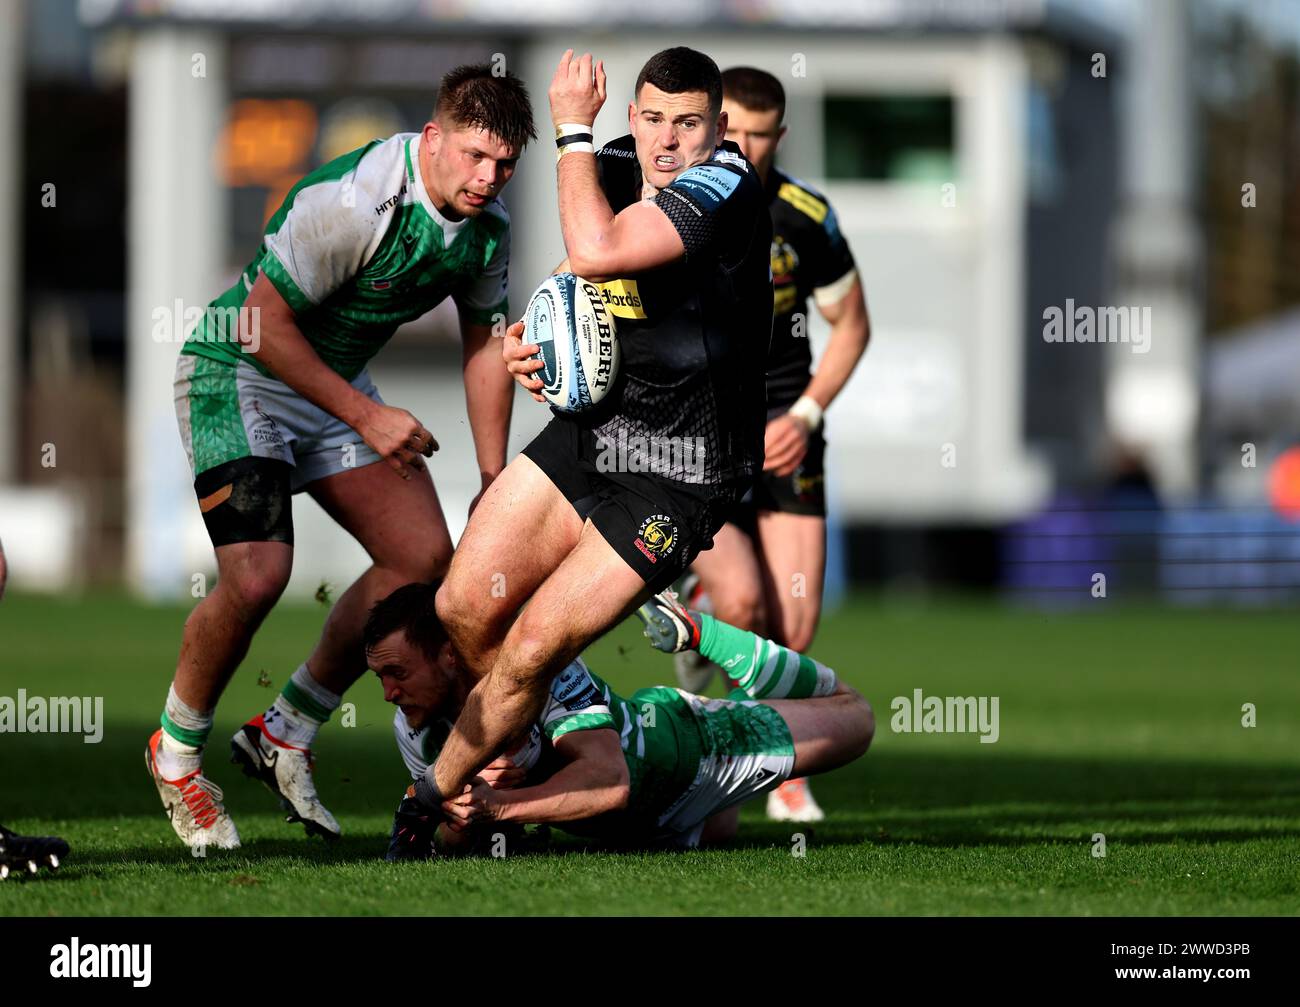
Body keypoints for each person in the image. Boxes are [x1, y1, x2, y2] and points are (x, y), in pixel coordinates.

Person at [146, 64, 536, 851]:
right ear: (433, 139)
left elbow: (487, 346)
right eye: (473, 155)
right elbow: (261, 325)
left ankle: (284, 729)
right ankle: (176, 750)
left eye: (503, 164)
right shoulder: (358, 203)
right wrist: (370, 415)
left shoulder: (488, 226)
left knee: (425, 558)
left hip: (332, 382)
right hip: (239, 368)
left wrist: (496, 479)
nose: (487, 177)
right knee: (258, 575)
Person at [411, 47, 774, 823]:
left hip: (678, 471)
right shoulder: (611, 162)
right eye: (651, 120)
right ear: (633, 117)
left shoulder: (726, 184)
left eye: (688, 123)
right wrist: (531, 342)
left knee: (535, 642)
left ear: (718, 128)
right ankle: (569, 752)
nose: (666, 142)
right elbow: (577, 280)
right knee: (465, 605)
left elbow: (600, 250)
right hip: (591, 433)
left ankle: (431, 803)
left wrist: (571, 126)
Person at [679, 66, 871, 823]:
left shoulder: (803, 215)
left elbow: (852, 325)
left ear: (780, 136)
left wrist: (809, 414)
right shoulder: (678, 205)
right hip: (703, 436)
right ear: (714, 123)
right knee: (744, 597)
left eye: (764, 135)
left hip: (791, 438)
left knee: (793, 625)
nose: (748, 147)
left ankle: (772, 761)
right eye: (736, 130)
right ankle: (713, 725)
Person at [364, 583, 872, 855]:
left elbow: (610, 783)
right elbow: (464, 838)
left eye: (398, 672)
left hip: (695, 751)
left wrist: (498, 805)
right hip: (651, 830)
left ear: (448, 655)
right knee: (722, 832)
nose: (389, 693)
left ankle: (700, 631)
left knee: (854, 716)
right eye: (378, 678)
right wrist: (468, 811)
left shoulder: (535, 670)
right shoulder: (415, 729)